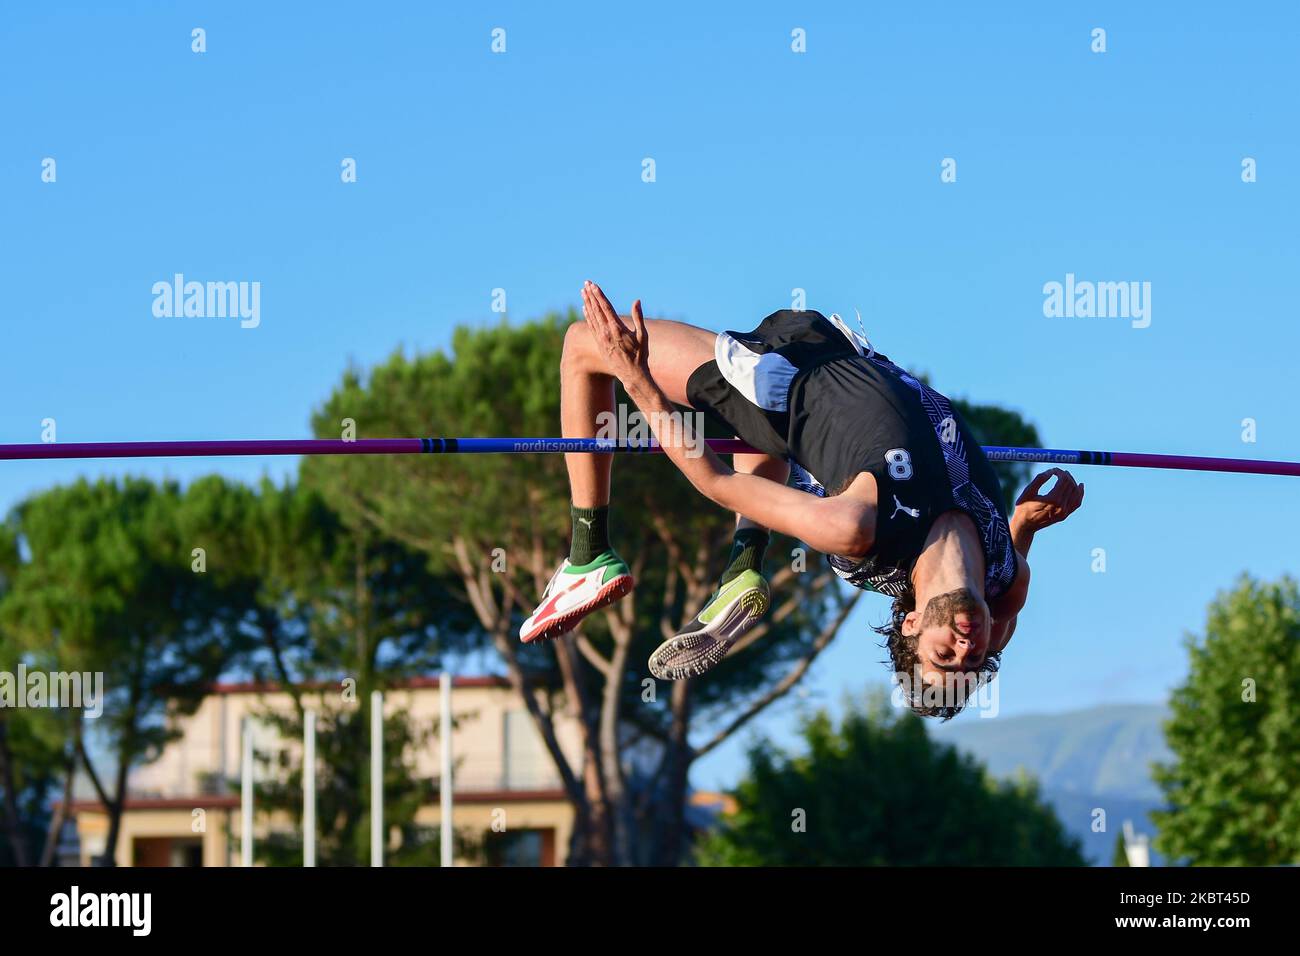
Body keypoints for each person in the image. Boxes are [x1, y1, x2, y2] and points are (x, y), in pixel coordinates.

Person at [520, 281, 1085, 717]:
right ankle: (741, 568)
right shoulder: (1002, 574)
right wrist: (1027, 521)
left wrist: (635, 379)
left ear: (911, 624)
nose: (965, 648)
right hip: (842, 351)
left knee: (582, 346)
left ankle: (589, 552)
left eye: (944, 657)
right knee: (761, 445)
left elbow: (719, 482)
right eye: (974, 658)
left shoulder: (863, 532)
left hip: (777, 384)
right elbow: (1009, 604)